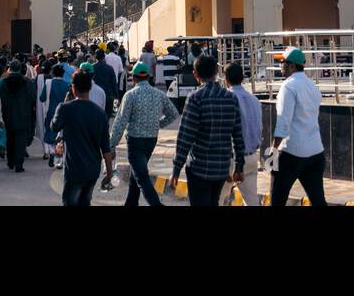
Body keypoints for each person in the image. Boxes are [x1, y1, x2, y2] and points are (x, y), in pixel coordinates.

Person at [171, 55, 244, 207]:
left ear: (195, 75)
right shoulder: (231, 98)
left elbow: (185, 137)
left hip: (199, 168)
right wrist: (239, 166)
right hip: (221, 168)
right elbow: (238, 135)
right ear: (216, 71)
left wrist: (176, 168)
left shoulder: (195, 98)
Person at [110, 61, 179, 206]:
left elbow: (120, 122)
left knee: (141, 177)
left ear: (133, 78)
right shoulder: (159, 94)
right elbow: (173, 114)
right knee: (137, 174)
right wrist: (158, 124)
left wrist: (111, 145)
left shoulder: (130, 95)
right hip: (151, 141)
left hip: (135, 142)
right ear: (148, 77)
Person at [270, 48, 326, 206]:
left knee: (277, 200)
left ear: (292, 66)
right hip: (315, 151)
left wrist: (273, 151)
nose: (280, 65)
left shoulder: (288, 87)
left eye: (282, 62)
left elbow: (283, 123)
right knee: (318, 201)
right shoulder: (312, 86)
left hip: (292, 152)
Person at [50, 69, 114, 206]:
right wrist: (109, 174)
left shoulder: (65, 109)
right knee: (85, 202)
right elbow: (106, 149)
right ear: (90, 87)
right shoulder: (100, 114)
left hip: (74, 169)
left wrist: (64, 103)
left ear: (73, 88)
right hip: (93, 169)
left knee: (70, 202)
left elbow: (54, 127)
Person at [225, 62, 263, 205]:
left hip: (231, 160)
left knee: (219, 198)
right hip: (252, 156)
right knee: (252, 201)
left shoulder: (225, 98)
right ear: (242, 78)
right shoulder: (254, 100)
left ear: (226, 79)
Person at [0, 59, 36, 172]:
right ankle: (19, 163)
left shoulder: (4, 81)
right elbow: (32, 97)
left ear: (10, 68)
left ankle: (10, 161)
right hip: (23, 113)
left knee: (10, 138)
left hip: (8, 113)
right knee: (21, 139)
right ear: (20, 68)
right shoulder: (27, 82)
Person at [42, 63, 72, 166]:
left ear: (52, 73)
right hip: (63, 112)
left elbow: (42, 98)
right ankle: (58, 157)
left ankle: (51, 152)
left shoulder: (48, 83)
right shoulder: (67, 84)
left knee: (50, 133)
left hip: (50, 111)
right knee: (61, 135)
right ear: (63, 74)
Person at [92, 49, 118, 116]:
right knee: (107, 116)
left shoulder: (92, 67)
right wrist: (116, 96)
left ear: (95, 57)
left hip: (95, 96)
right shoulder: (109, 68)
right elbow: (114, 84)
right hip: (108, 95)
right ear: (104, 57)